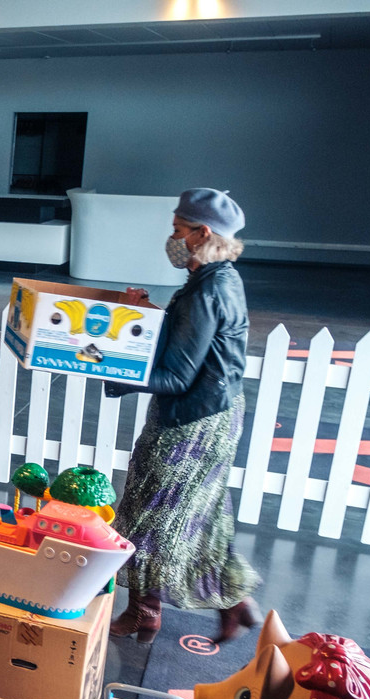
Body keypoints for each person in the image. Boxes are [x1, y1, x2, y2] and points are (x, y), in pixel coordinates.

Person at [105, 188, 260, 645]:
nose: (172, 238)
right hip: (215, 412)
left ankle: (145, 611)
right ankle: (234, 604)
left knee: (148, 515)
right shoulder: (218, 276)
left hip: (192, 422)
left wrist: (114, 371)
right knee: (198, 515)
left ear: (201, 233)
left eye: (177, 230)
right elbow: (190, 341)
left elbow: (175, 375)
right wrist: (147, 312)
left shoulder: (207, 289)